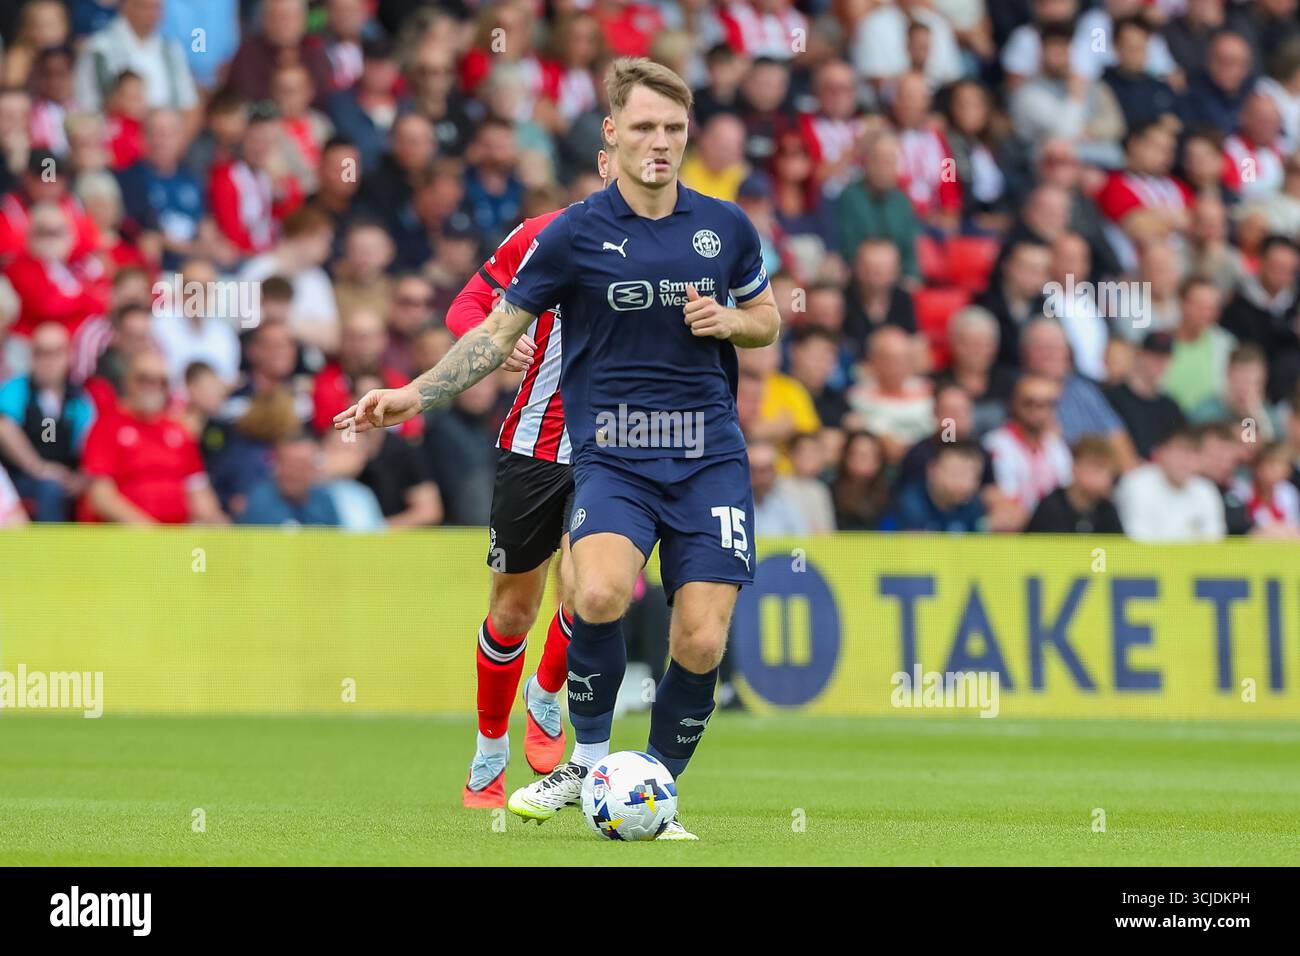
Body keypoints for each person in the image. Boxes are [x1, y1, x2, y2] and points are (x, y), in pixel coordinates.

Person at [335, 58, 780, 841]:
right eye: (644, 127)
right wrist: (413, 394)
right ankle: (593, 762)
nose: (661, 143)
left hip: (708, 456)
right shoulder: (572, 233)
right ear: (612, 134)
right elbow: (495, 332)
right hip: (611, 452)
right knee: (597, 594)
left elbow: (767, 314)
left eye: (674, 129)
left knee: (702, 638)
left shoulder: (726, 227)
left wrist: (733, 323)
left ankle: (655, 791)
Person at [78, 349, 226, 524]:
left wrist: (221, 530)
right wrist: (152, 534)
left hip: (176, 537)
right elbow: (102, 498)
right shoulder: (105, 427)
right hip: (126, 536)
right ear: (128, 381)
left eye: (161, 382)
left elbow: (199, 492)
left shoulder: (178, 430)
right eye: (144, 379)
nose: (152, 386)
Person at [1114, 426, 1226, 541]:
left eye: (1193, 452)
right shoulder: (1136, 483)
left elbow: (1214, 541)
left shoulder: (1206, 489)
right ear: (1160, 452)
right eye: (1180, 451)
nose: (1186, 460)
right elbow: (1137, 540)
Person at [236, 431, 341, 526]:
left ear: (313, 469)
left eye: (302, 466)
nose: (295, 474)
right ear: (277, 466)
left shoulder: (324, 500)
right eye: (290, 465)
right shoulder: (258, 502)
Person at [1026, 435, 1124, 533]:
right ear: (1075, 468)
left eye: (1110, 473)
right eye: (1098, 470)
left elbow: (1118, 545)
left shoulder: (1106, 510)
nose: (1106, 479)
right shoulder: (1051, 508)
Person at [889, 440, 987, 533]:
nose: (965, 484)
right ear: (932, 471)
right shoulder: (909, 503)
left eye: (974, 476)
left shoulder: (973, 505)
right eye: (956, 474)